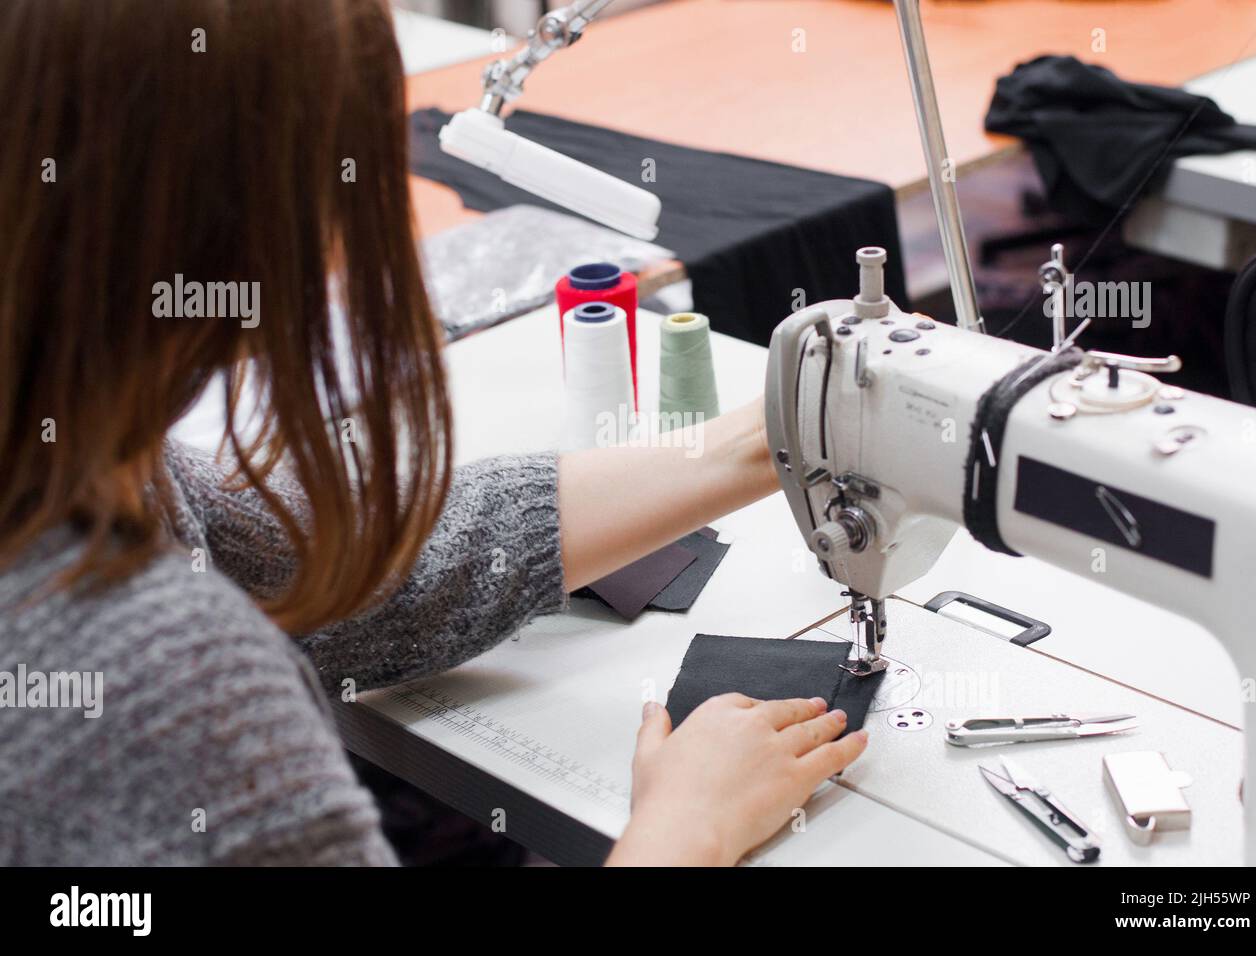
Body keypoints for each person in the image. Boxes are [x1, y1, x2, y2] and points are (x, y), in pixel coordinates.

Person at [0, 0, 866, 866]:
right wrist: (686, 831)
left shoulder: (78, 477)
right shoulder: (161, 691)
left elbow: (307, 565)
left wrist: (772, 437)